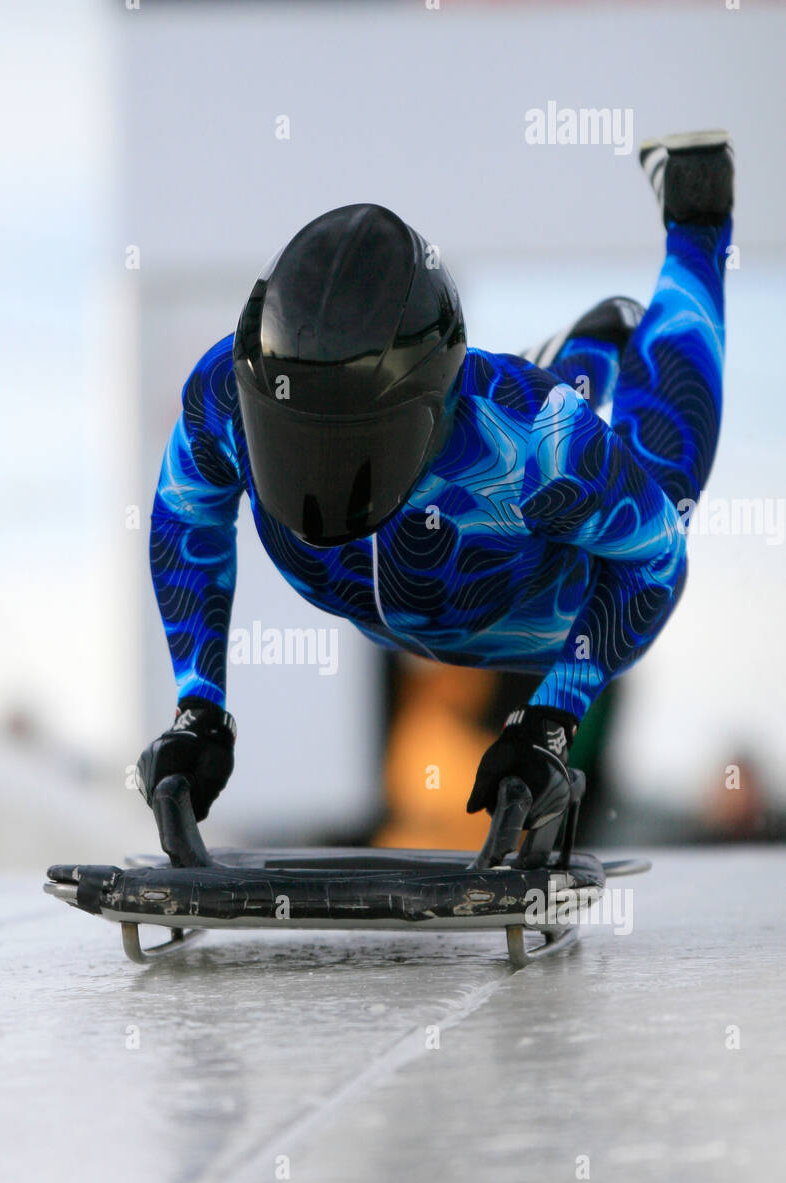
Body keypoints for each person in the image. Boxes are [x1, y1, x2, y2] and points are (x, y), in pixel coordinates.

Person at [136, 132, 733, 835]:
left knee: (662, 494)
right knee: (539, 436)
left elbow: (654, 560)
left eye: (354, 446)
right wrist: (197, 710)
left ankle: (696, 226)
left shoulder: (540, 443)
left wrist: (552, 718)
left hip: (540, 613)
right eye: (297, 438)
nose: (325, 485)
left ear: (433, 411)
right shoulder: (225, 392)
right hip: (468, 522)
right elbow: (186, 518)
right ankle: (577, 356)